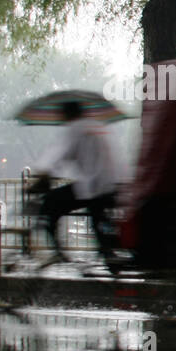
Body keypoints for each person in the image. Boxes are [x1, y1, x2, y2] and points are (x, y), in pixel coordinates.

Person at [33, 100, 124, 266]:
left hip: (91, 185)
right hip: (111, 183)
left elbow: (58, 155)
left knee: (50, 203)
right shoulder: (98, 127)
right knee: (98, 218)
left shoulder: (75, 129)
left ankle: (58, 250)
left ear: (67, 115)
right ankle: (109, 254)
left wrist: (43, 174)